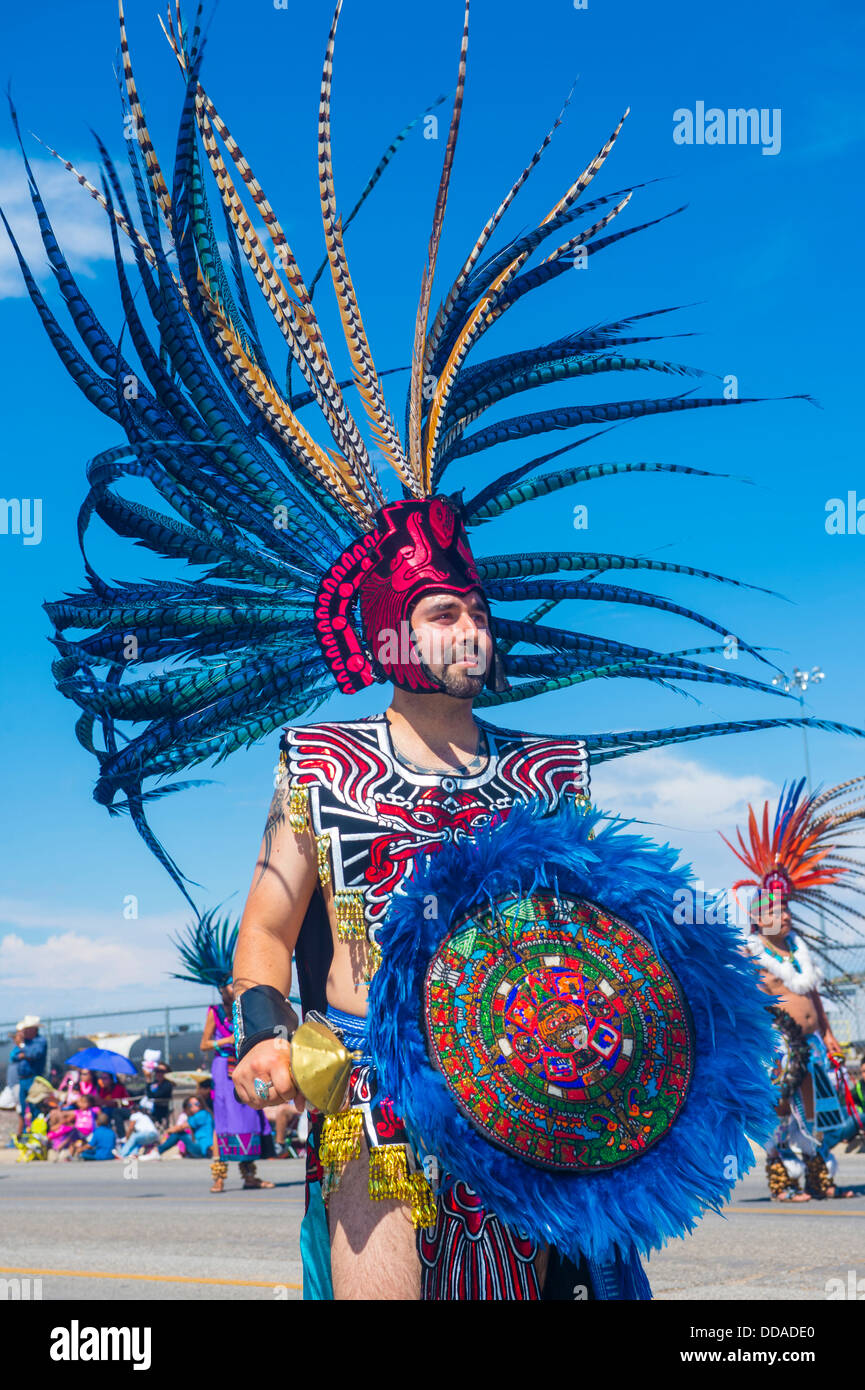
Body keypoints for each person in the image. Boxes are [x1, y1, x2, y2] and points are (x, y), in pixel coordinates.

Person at [18, 0, 865, 1301]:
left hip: (540, 1103)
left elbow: (615, 934)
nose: (472, 625)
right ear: (382, 630)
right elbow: (263, 930)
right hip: (377, 1101)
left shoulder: (547, 771)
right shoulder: (322, 762)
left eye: (476, 609)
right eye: (443, 611)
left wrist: (733, 985)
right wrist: (260, 1032)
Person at [723, 778, 865, 1201]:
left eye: (786, 910)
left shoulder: (801, 952)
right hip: (780, 1048)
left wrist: (829, 1034)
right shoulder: (750, 952)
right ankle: (782, 1182)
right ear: (758, 916)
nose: (784, 917)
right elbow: (742, 1003)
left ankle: (822, 1180)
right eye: (775, 910)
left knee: (820, 1112)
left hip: (815, 1046)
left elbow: (814, 998)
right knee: (783, 1115)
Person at [171, 919, 273, 1193]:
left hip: (243, 1063)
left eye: (227, 985)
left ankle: (250, 1175)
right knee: (224, 1120)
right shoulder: (214, 1013)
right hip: (222, 1067)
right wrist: (225, 1040)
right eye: (221, 987)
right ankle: (219, 1176)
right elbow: (204, 1044)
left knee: (249, 1116)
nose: (224, 991)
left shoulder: (244, 1009)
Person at [10, 1016, 46, 1136]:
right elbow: (14, 1057)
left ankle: (36, 1133)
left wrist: (22, 1049)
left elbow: (34, 1054)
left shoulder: (40, 1041)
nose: (24, 1032)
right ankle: (26, 1132)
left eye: (27, 1029)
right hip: (23, 1079)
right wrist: (21, 1048)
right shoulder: (26, 1042)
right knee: (24, 1107)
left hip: (33, 1078)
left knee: (34, 1106)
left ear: (34, 1029)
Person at [96, 1073, 130, 1140]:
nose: (102, 1080)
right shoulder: (102, 1090)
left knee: (107, 1112)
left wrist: (103, 1102)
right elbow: (100, 1102)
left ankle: (109, 1134)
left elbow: (115, 1103)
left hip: (121, 1110)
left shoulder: (119, 1088)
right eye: (101, 1078)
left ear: (111, 1080)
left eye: (105, 1078)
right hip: (107, 1110)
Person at [144, 1062, 174, 1129]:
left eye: (162, 1071)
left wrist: (148, 1081)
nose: (159, 1073)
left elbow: (153, 1095)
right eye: (157, 1071)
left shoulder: (167, 1085)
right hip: (151, 1108)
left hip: (161, 1110)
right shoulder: (155, 1083)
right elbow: (145, 1092)